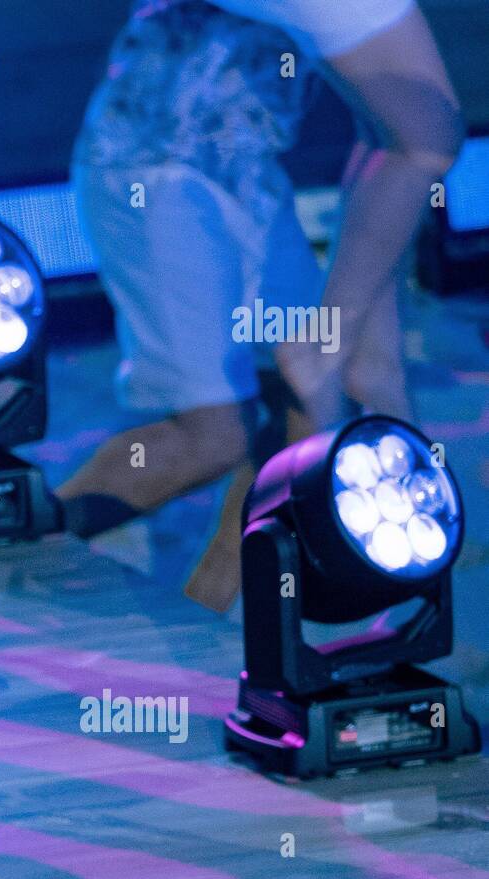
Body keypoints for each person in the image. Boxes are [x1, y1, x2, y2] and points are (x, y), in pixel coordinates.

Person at [53, 0, 462, 611]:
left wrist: (370, 352)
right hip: (153, 168)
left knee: (290, 415)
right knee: (215, 435)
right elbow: (421, 139)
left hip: (248, 171)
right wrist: (362, 352)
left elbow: (386, 137)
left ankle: (210, 618)